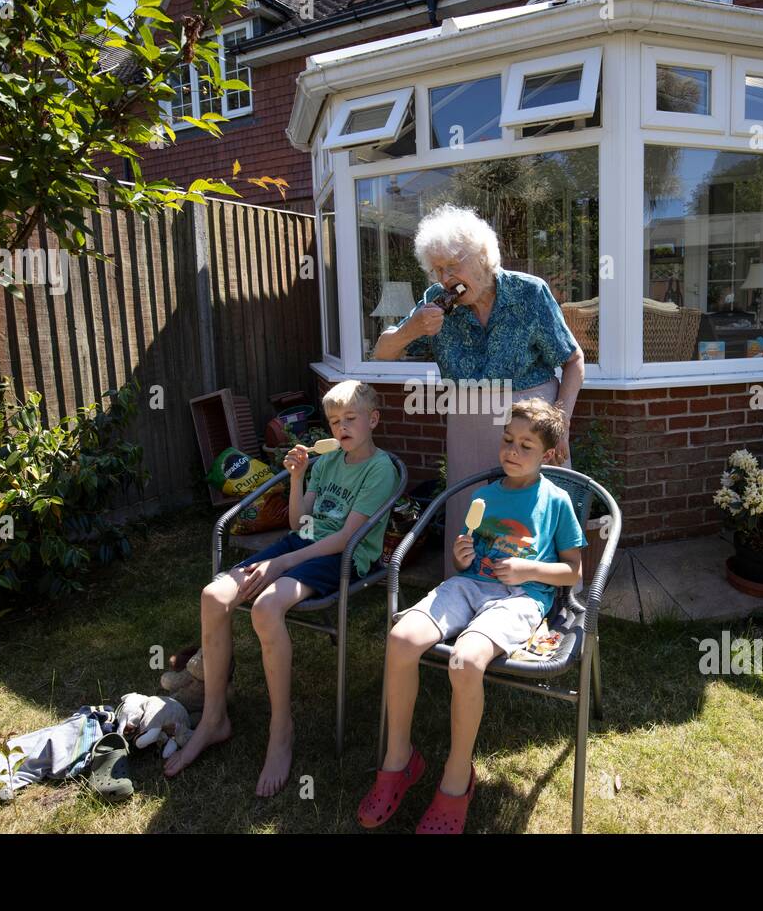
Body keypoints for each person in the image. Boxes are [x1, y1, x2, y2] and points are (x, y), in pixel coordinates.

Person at [357, 399, 584, 833]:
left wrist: (529, 569)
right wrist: (463, 554)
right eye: (508, 441)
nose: (512, 452)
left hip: (520, 598)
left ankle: (457, 778)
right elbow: (468, 554)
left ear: (549, 455)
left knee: (465, 660)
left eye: (526, 446)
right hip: (469, 586)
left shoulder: (555, 501)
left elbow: (574, 570)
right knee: (402, 639)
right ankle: (399, 758)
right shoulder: (485, 495)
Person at [164, 381, 398, 794]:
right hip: (302, 544)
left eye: (350, 418)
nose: (341, 428)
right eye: (334, 421)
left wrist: (281, 563)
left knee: (266, 607)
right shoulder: (326, 464)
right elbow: (297, 524)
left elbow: (345, 539)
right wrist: (297, 477)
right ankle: (214, 718)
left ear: (373, 419)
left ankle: (281, 730)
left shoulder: (379, 468)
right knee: (214, 595)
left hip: (341, 557)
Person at [372, 204, 585, 578]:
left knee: (534, 512)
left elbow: (573, 359)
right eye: (437, 269)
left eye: (453, 266)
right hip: (469, 422)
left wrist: (561, 420)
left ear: (484, 256)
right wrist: (412, 329)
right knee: (472, 512)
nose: (445, 277)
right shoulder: (435, 304)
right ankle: (467, 592)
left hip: (530, 423)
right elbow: (381, 352)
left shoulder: (529, 294)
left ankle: (543, 599)